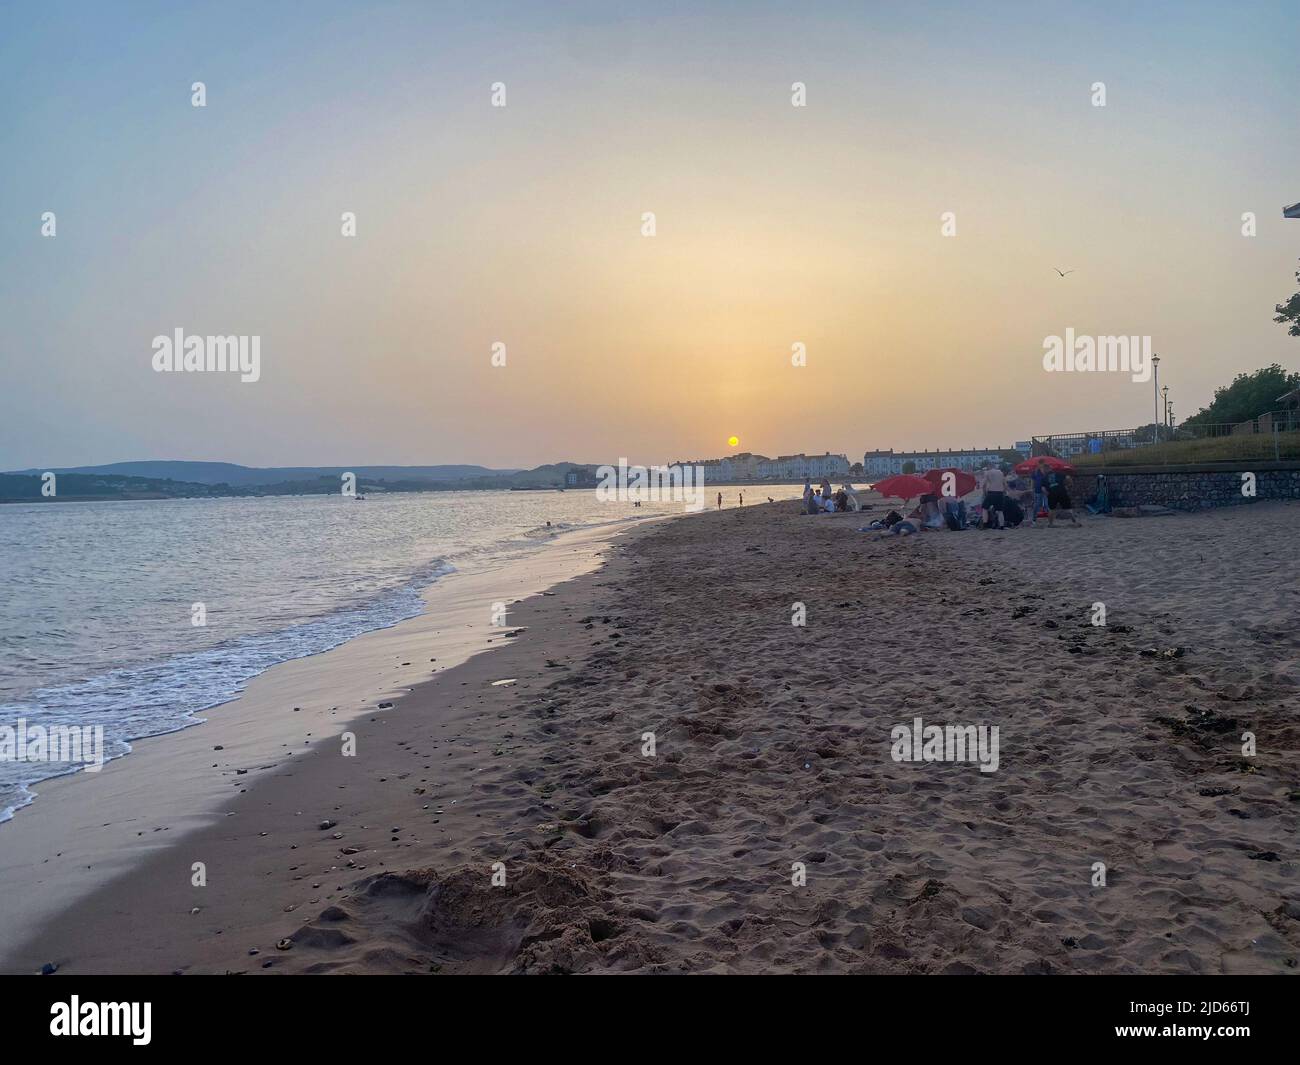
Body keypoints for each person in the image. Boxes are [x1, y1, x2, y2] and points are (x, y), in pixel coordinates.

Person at [980, 464, 1007, 529]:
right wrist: (1004, 492)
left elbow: (983, 484)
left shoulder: (988, 472)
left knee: (985, 508)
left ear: (989, 467)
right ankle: (1001, 526)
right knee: (1000, 510)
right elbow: (1005, 484)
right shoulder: (1000, 473)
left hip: (991, 492)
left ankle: (985, 524)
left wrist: (984, 493)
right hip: (1000, 493)